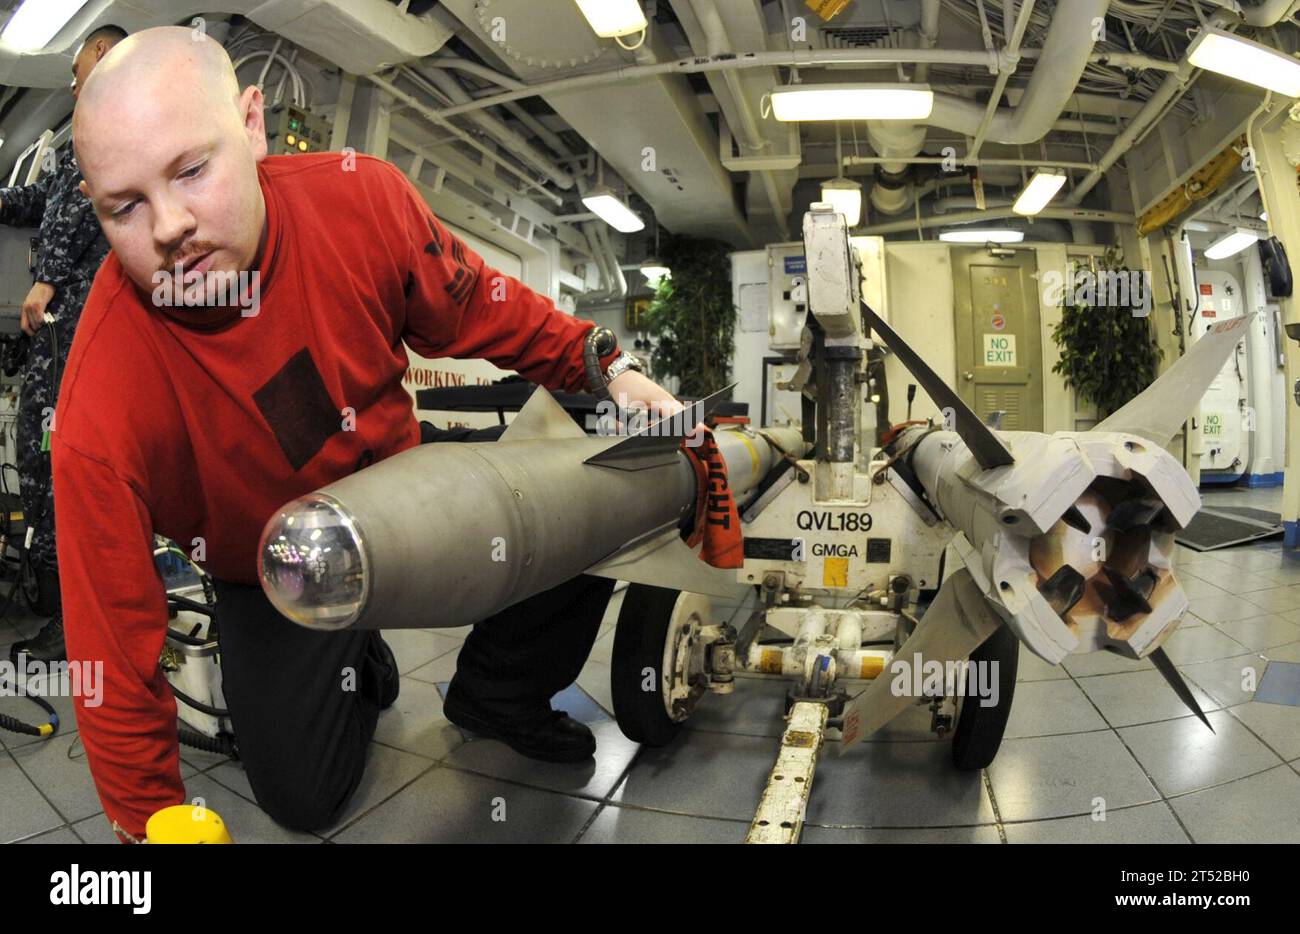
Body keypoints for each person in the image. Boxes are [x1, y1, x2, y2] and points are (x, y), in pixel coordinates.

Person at [59, 26, 682, 840]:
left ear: (252, 125)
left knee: (603, 470)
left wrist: (603, 361)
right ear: (94, 207)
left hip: (399, 483)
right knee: (302, 803)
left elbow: (478, 301)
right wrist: (150, 825)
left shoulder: (360, 199)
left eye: (191, 170)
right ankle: (361, 655)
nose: (170, 225)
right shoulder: (98, 406)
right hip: (272, 565)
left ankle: (499, 691)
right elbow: (109, 637)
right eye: (126, 206)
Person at [0, 25, 127, 661]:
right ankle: (65, 609)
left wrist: (46, 280)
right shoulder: (87, 128)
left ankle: (78, 623)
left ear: (102, 50)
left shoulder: (107, 115)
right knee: (43, 457)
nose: (72, 76)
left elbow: (84, 205)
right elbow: (48, 200)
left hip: (74, 315)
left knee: (57, 462)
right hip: (63, 325)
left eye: (77, 62)